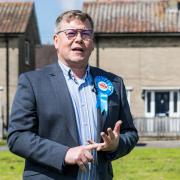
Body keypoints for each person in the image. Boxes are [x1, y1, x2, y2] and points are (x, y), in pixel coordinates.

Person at [7, 10, 138, 180]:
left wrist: (115, 145)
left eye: (85, 33)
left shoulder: (113, 83)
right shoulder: (33, 82)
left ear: (92, 42)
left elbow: (130, 133)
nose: (78, 39)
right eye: (70, 33)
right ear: (56, 41)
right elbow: (18, 137)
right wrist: (64, 154)